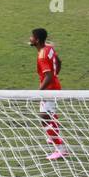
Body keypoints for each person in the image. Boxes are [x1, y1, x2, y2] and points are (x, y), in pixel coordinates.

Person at [29, 28, 66, 160]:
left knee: (45, 119)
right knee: (49, 114)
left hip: (49, 89)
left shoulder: (42, 57)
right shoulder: (49, 48)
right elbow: (59, 62)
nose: (30, 39)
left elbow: (48, 76)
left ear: (37, 40)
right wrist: (56, 75)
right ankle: (52, 137)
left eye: (32, 37)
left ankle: (60, 149)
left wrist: (39, 92)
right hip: (54, 86)